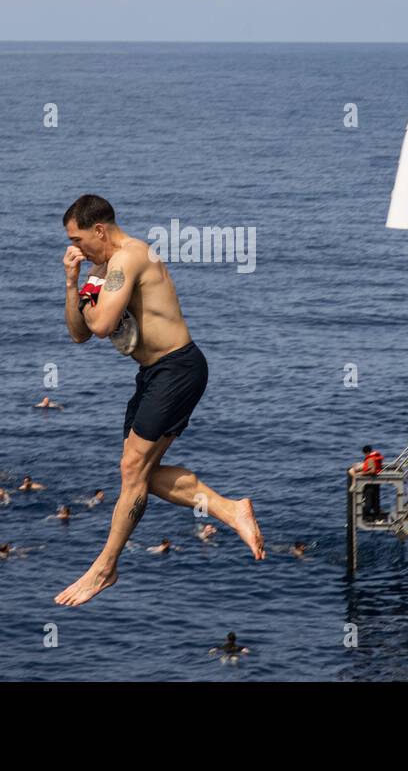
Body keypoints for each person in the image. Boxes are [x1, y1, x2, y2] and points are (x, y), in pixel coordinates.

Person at [56, 195, 264, 606]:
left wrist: (88, 295)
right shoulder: (101, 267)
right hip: (153, 374)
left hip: (178, 369)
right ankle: (229, 510)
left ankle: (105, 568)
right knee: (139, 477)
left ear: (100, 229)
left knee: (133, 469)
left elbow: (101, 326)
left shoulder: (129, 259)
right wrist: (71, 282)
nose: (75, 248)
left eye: (78, 239)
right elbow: (77, 333)